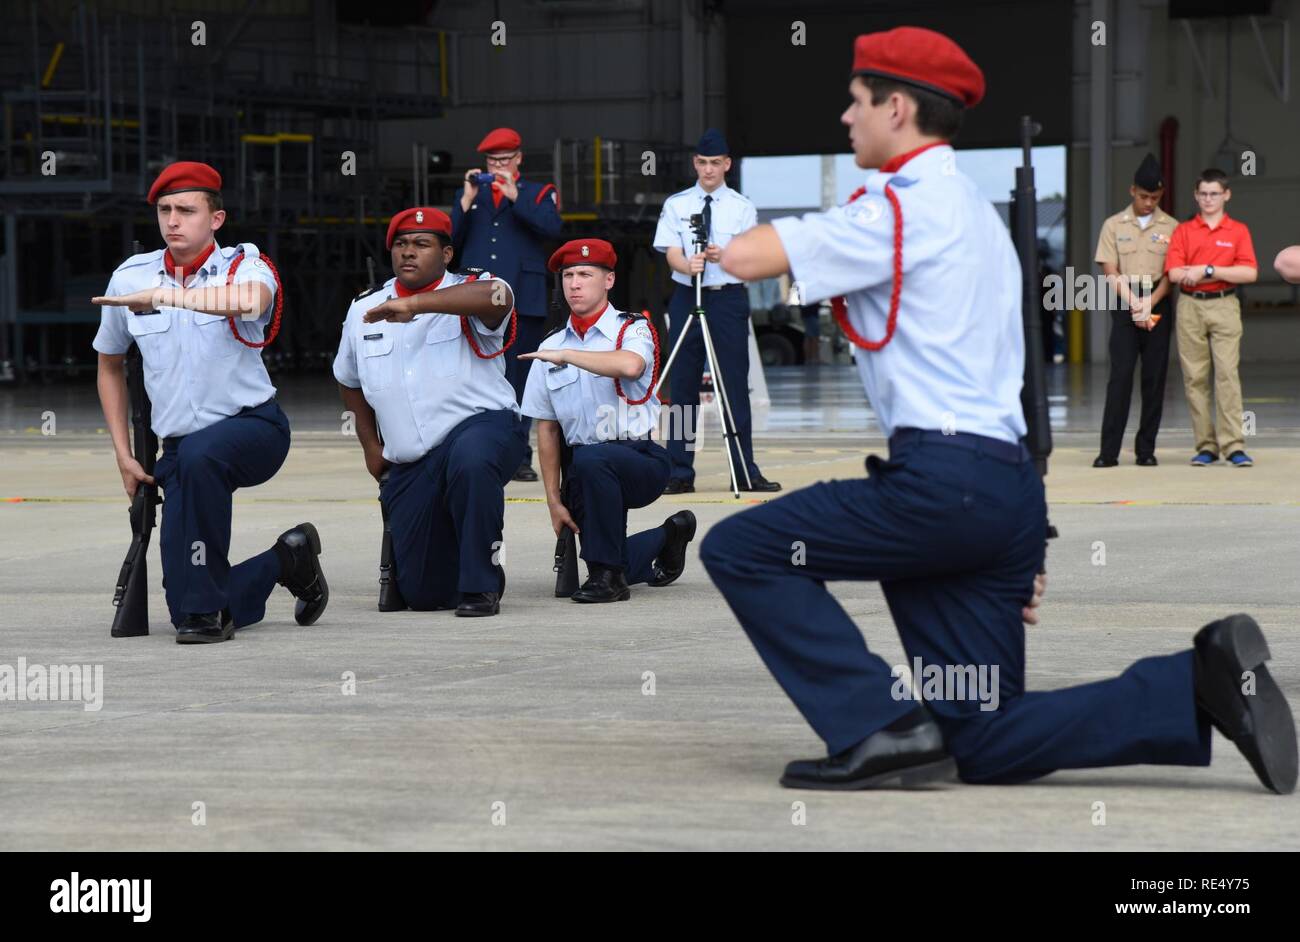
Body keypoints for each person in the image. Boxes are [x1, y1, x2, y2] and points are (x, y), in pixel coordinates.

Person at [701, 27, 1296, 794]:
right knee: (975, 740)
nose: (845, 119)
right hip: (998, 491)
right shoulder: (981, 218)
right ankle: (1195, 686)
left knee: (744, 549)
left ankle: (875, 722)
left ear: (897, 107)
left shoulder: (902, 209)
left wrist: (712, 239)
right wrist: (1019, 537)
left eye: (856, 102)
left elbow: (747, 257)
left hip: (941, 486)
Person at [91, 161, 327, 644]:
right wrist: (125, 456)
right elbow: (109, 363)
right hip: (180, 448)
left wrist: (166, 296)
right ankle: (288, 558)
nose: (172, 220)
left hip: (253, 428)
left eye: (186, 210)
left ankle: (207, 612)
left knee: (203, 458)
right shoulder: (130, 276)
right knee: (185, 603)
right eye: (164, 210)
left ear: (215, 219)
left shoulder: (245, 264)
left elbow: (251, 302)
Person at [333, 207, 523, 617]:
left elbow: (499, 297)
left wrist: (418, 305)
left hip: (482, 429)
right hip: (412, 456)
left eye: (422, 244)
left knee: (470, 462)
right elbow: (347, 378)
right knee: (423, 595)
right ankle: (462, 566)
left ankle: (481, 584)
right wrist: (370, 446)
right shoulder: (363, 308)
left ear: (447, 253)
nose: (408, 252)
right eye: (400, 244)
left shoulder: (474, 287)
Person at [520, 239, 696, 603]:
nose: (574, 283)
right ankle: (668, 535)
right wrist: (553, 499)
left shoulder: (631, 329)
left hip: (638, 459)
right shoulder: (550, 344)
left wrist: (568, 356)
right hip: (584, 472)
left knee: (592, 460)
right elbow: (547, 429)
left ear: (609, 280)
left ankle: (609, 581)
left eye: (585, 274)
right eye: (568, 275)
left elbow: (631, 365)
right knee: (601, 562)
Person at [653, 129, 780, 494]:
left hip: (726, 297)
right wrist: (686, 263)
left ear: (727, 165)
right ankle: (678, 470)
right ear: (696, 163)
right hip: (685, 293)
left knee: (733, 384)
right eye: (702, 163)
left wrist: (722, 256)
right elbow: (669, 251)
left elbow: (749, 257)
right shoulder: (677, 204)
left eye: (715, 163)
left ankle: (743, 469)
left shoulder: (742, 207)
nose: (708, 170)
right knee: (682, 386)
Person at [452, 127, 563, 483]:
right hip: (476, 296)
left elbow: (552, 229)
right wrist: (465, 201)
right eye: (491, 160)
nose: (497, 166)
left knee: (519, 379)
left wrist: (517, 198)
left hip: (522, 297)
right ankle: (476, 451)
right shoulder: (474, 194)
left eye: (504, 160)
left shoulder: (538, 193)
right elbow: (447, 241)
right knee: (473, 375)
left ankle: (518, 456)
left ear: (518, 159)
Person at [1164, 169, 1259, 467]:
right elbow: (1175, 273)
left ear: (1226, 195)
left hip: (1224, 304)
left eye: (1214, 193)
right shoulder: (1183, 231)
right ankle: (1206, 445)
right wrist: (1205, 271)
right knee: (1195, 378)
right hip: (1190, 307)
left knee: (1227, 374)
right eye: (1203, 194)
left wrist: (1208, 270)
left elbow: (1250, 273)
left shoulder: (1238, 231)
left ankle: (1233, 445)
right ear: (1196, 195)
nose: (1208, 199)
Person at [1092, 153, 1178, 467]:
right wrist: (1135, 304)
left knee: (1154, 379)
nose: (1148, 202)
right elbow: (1110, 270)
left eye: (1154, 197)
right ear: (1132, 191)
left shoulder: (1172, 226)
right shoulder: (1113, 225)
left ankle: (1146, 450)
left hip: (1158, 300)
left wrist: (1150, 303)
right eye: (1143, 196)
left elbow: (1172, 273)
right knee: (1121, 376)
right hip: (1126, 299)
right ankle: (1108, 452)